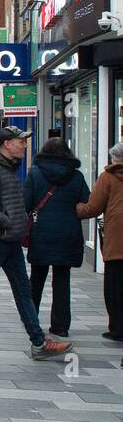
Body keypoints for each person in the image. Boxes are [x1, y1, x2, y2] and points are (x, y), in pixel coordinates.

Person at [0, 127, 73, 360]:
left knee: (23, 291)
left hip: (8, 240)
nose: (24, 145)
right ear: (6, 144)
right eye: (20, 141)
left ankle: (39, 342)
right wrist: (8, 222)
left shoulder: (7, 167)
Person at [24, 137, 90, 339]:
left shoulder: (35, 173)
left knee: (36, 278)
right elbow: (86, 201)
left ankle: (31, 319)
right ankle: (60, 325)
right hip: (68, 232)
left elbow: (26, 202)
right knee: (62, 280)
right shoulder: (76, 176)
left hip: (41, 231)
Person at [76, 142, 123, 341]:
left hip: (117, 238)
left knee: (115, 285)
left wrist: (74, 208)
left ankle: (118, 327)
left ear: (115, 158)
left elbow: (93, 208)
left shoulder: (109, 177)